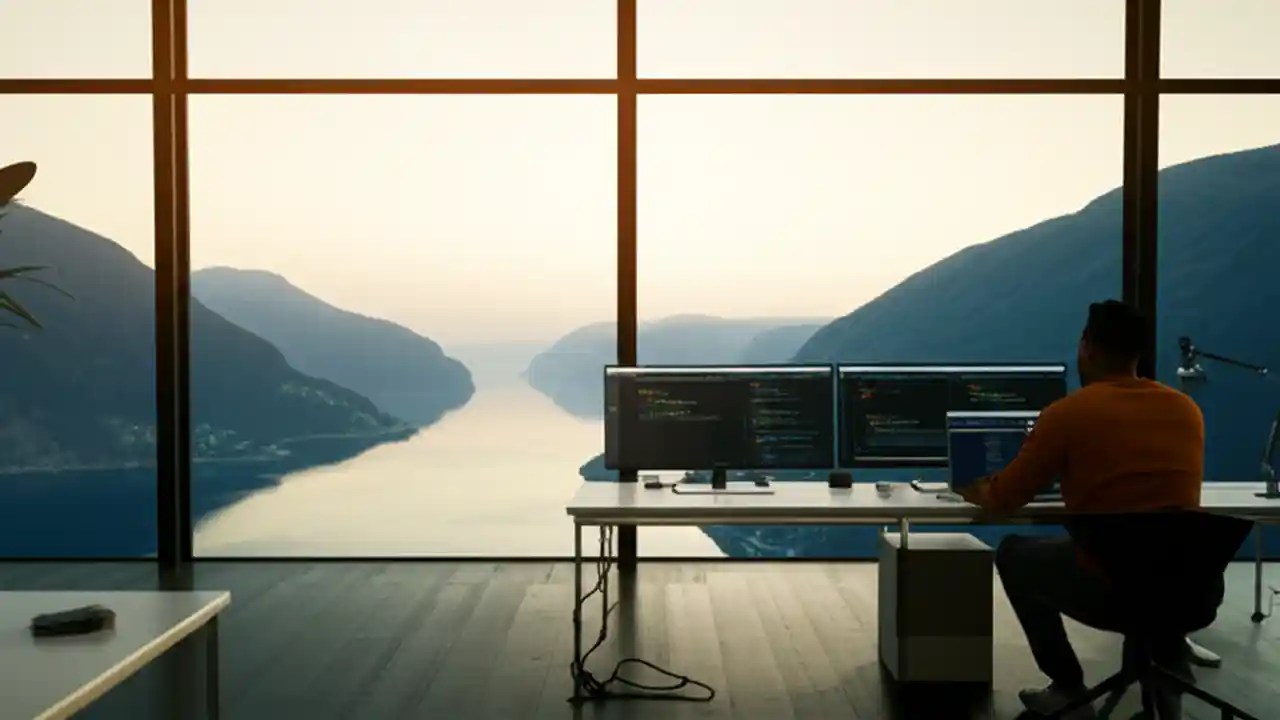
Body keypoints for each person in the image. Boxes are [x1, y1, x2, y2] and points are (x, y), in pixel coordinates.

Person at [957, 300, 1204, 719]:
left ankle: (1068, 688)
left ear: (1087, 346)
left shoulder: (1068, 414)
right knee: (1156, 560)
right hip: (1192, 591)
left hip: (1111, 589)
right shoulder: (1186, 409)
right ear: (1139, 353)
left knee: (1014, 552)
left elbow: (1004, 498)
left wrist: (973, 487)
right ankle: (1166, 678)